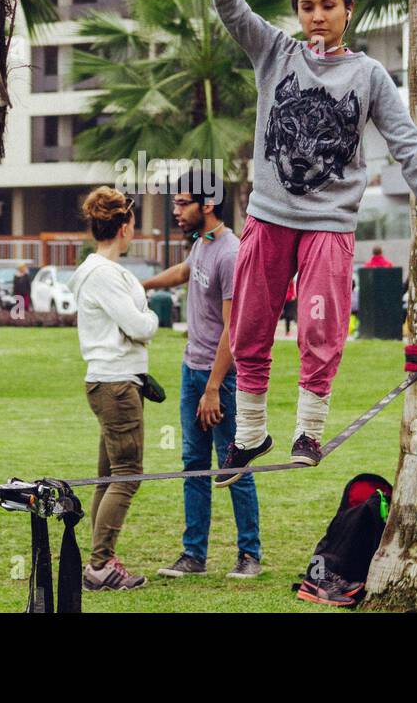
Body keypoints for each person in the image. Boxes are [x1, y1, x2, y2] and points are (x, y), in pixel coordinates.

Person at [203, 0, 417, 483]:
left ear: (348, 10)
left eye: (327, 5)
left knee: (319, 329)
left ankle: (308, 430)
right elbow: (231, 9)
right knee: (250, 325)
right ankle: (250, 434)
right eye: (306, 6)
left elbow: (408, 148)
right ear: (297, 14)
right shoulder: (274, 53)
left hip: (329, 223)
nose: (316, 15)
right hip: (269, 216)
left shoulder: (370, 75)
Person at [143, 174, 263, 580]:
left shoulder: (231, 253)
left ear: (207, 205)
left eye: (181, 203)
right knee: (193, 463)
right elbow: (183, 272)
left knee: (232, 464)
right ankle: (193, 555)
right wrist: (138, 284)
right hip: (190, 369)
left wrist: (213, 387)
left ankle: (250, 554)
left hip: (221, 380)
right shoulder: (203, 244)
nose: (176, 211)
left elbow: (234, 329)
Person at [69, 187, 160, 591]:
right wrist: (152, 314)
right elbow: (139, 326)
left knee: (108, 477)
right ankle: (100, 564)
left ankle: (100, 561)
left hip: (114, 380)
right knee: (128, 475)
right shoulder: (104, 275)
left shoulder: (99, 272)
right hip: (116, 384)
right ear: (124, 227)